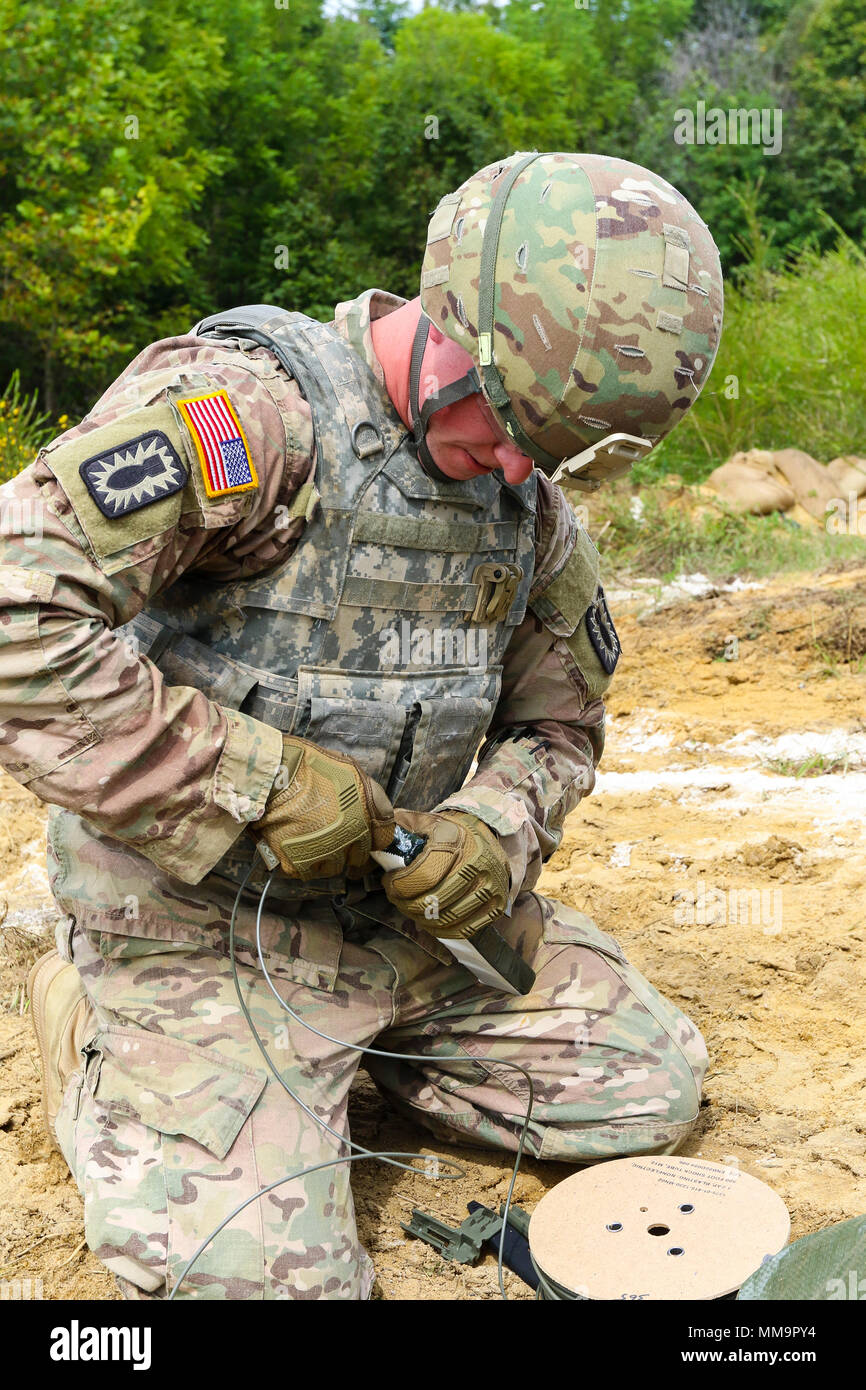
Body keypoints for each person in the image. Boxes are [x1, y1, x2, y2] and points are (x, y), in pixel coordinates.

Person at [4, 151, 723, 1300]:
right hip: (201, 920)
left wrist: (489, 832)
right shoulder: (247, 416)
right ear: (449, 320)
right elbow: (17, 618)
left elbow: (559, 727)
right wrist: (254, 781)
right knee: (258, 1278)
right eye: (506, 425)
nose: (514, 468)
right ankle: (92, 1017)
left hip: (396, 930)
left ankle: (337, 1057)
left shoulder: (521, 500)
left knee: (641, 1088)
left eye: (545, 450)